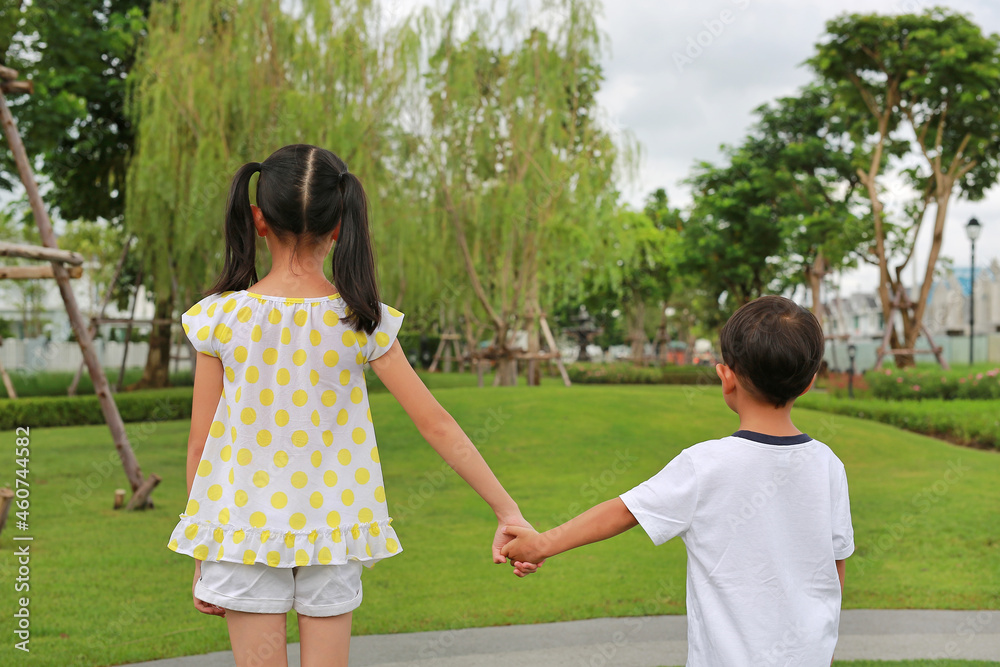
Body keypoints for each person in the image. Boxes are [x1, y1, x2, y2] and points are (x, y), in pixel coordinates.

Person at [167, 144, 537, 667]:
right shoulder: (363, 320)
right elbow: (436, 424)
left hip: (239, 528)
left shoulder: (219, 318)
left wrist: (203, 552)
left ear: (258, 219)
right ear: (340, 224)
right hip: (334, 530)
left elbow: (200, 444)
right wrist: (506, 509)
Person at [502, 295, 854, 666]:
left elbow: (624, 512)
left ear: (725, 377)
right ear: (809, 383)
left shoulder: (705, 464)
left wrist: (540, 545)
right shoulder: (828, 465)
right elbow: (834, 564)